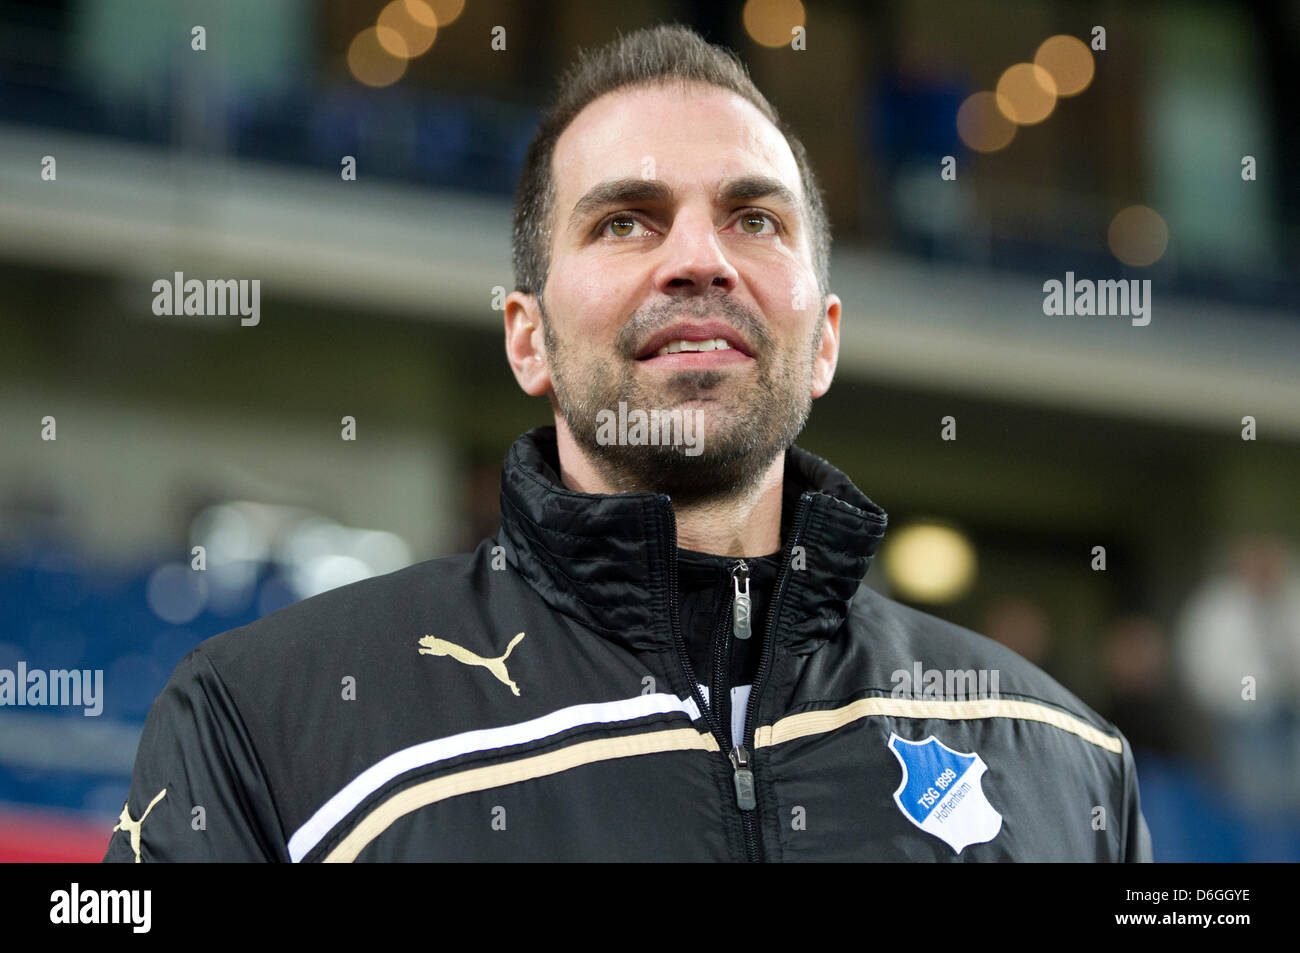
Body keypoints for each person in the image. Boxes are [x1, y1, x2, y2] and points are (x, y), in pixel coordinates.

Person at [104, 24, 1151, 862]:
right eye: (625, 221)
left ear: (822, 338)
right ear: (529, 337)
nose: (699, 258)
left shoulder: (1060, 756)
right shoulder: (263, 721)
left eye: (754, 220)